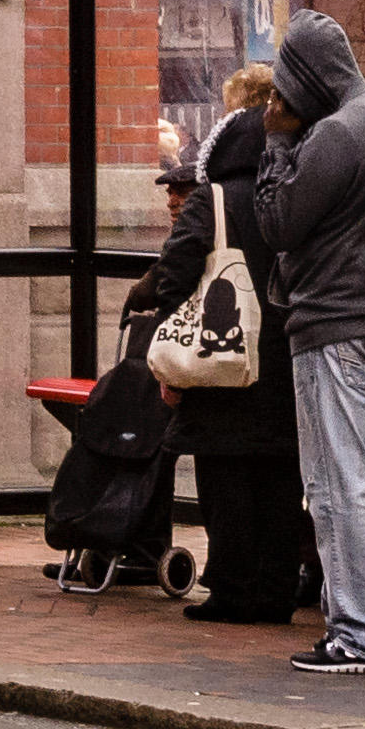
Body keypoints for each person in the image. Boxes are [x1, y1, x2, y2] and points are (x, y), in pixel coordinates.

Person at [243, 9, 365, 675]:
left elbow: (278, 222)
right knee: (364, 478)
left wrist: (276, 142)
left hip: (335, 321)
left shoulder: (336, 133)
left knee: (336, 483)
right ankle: (361, 622)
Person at [114, 74, 303, 627]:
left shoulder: (213, 200)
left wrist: (171, 351)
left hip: (223, 360)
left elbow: (174, 276)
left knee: (225, 476)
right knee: (280, 476)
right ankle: (276, 590)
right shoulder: (292, 195)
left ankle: (233, 590)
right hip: (286, 357)